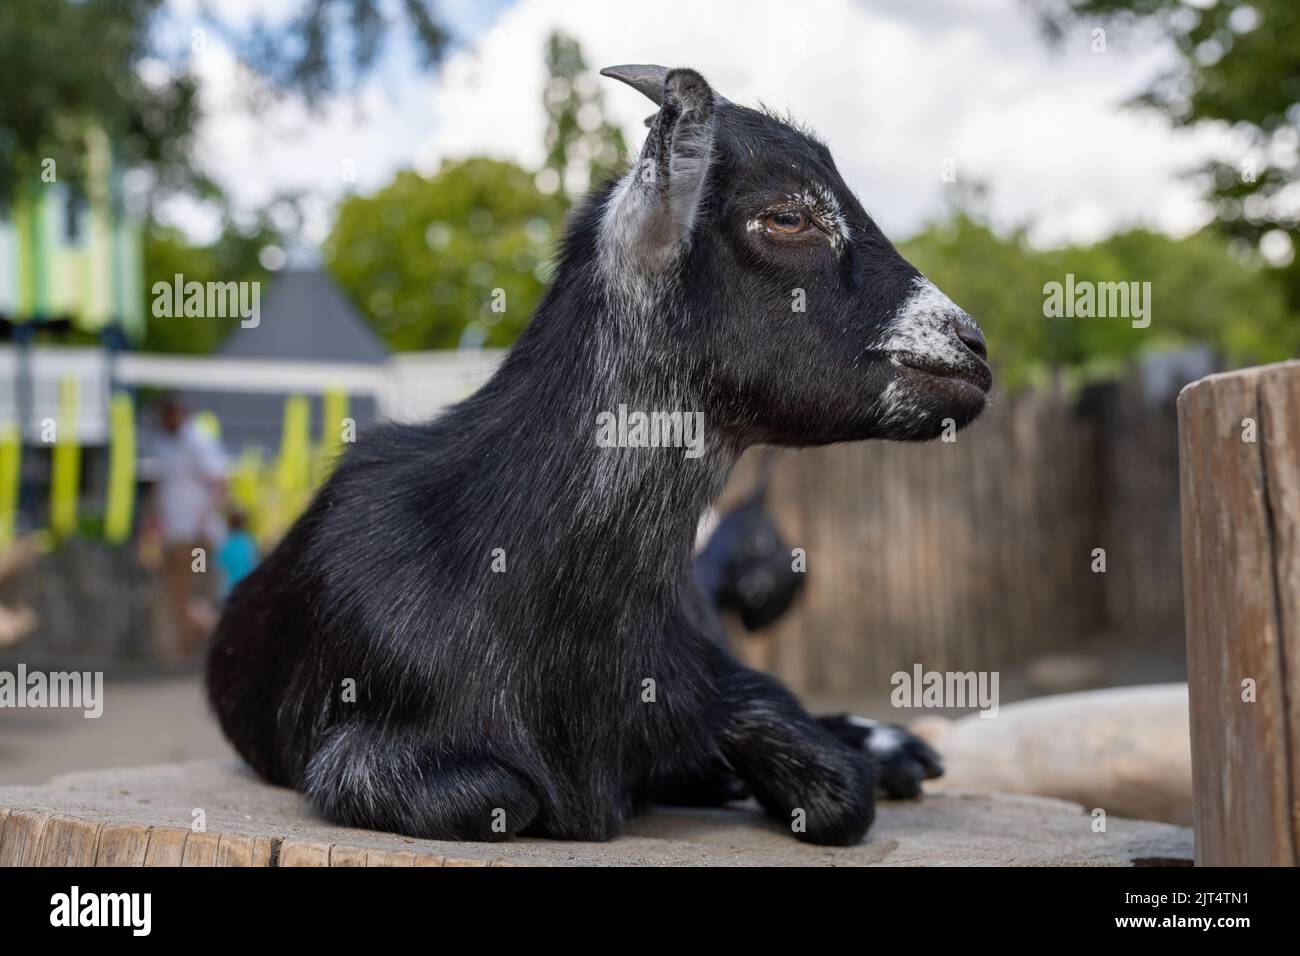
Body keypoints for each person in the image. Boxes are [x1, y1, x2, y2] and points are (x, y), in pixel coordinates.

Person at [149, 398, 228, 660]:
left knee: (194, 595)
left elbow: (219, 482)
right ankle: (186, 653)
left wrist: (202, 520)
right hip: (175, 535)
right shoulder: (163, 442)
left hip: (196, 536)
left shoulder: (198, 440)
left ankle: (223, 639)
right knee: (179, 597)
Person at [217, 509, 258, 600]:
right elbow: (254, 563)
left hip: (227, 589)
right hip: (246, 587)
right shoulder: (249, 542)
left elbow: (218, 565)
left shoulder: (224, 542)